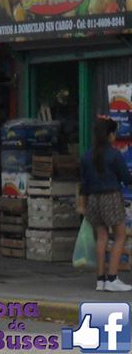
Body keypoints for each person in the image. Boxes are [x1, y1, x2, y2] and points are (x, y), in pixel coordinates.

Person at [78, 116, 132, 292]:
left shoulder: (86, 156)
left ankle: (100, 280)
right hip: (111, 197)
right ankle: (113, 278)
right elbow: (126, 178)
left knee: (101, 237)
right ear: (110, 135)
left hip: (93, 199)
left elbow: (83, 184)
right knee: (120, 236)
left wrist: (82, 204)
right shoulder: (114, 155)